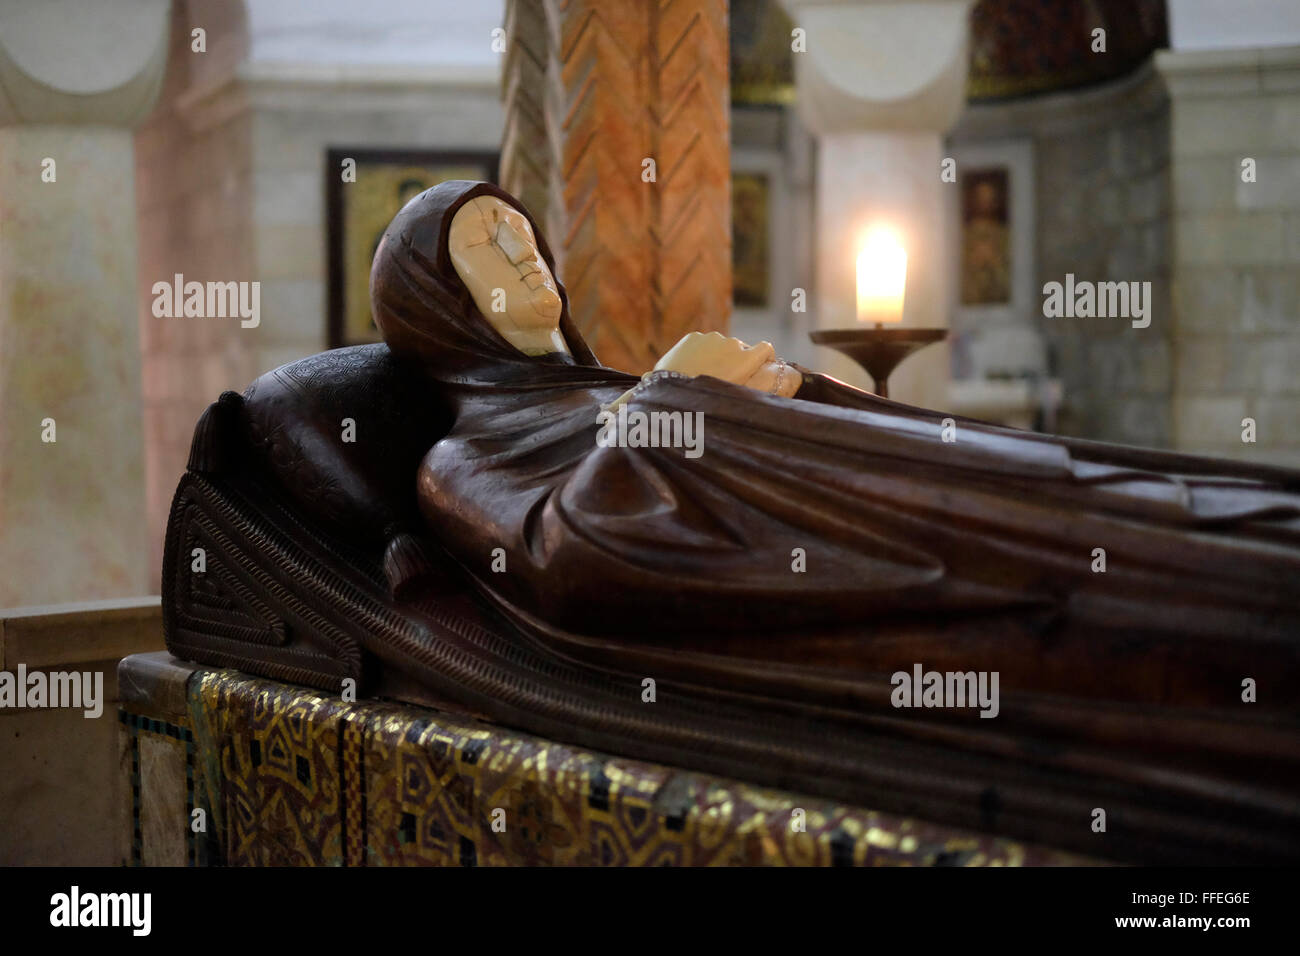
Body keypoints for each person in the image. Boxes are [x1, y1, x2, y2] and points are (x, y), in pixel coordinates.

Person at [369, 179, 1300, 711]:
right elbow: (574, 561)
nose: (523, 244)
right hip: (856, 546)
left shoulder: (592, 388)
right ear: (436, 299)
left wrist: (788, 391)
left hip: (870, 484)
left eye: (520, 226)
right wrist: (677, 392)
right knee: (1118, 564)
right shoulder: (461, 458)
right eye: (485, 242)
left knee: (1092, 492)